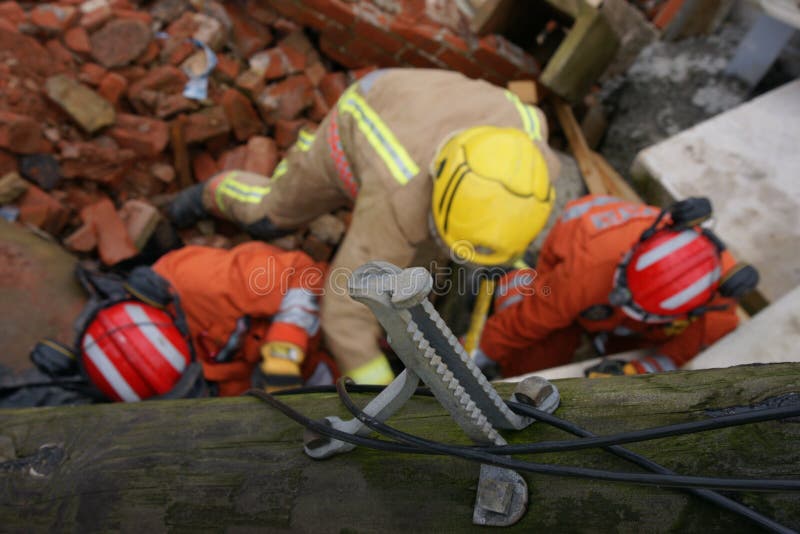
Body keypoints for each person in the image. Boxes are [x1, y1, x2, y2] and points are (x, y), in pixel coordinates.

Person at [168, 68, 560, 384]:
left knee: (418, 267)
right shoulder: (399, 193)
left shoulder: (531, 148)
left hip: (429, 106)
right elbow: (343, 311)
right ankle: (208, 194)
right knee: (273, 215)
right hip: (363, 116)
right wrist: (379, 387)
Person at [473, 195, 759, 378]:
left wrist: (634, 371)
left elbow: (678, 353)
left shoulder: (716, 307)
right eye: (623, 294)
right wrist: (475, 354)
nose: (618, 299)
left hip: (616, 303)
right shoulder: (593, 267)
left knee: (627, 348)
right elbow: (526, 321)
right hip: (573, 258)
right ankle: (514, 280)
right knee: (535, 359)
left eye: (634, 307)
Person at [28, 242, 330, 402]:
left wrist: (284, 350)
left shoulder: (197, 280)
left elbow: (304, 273)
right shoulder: (128, 385)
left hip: (324, 323)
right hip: (273, 390)